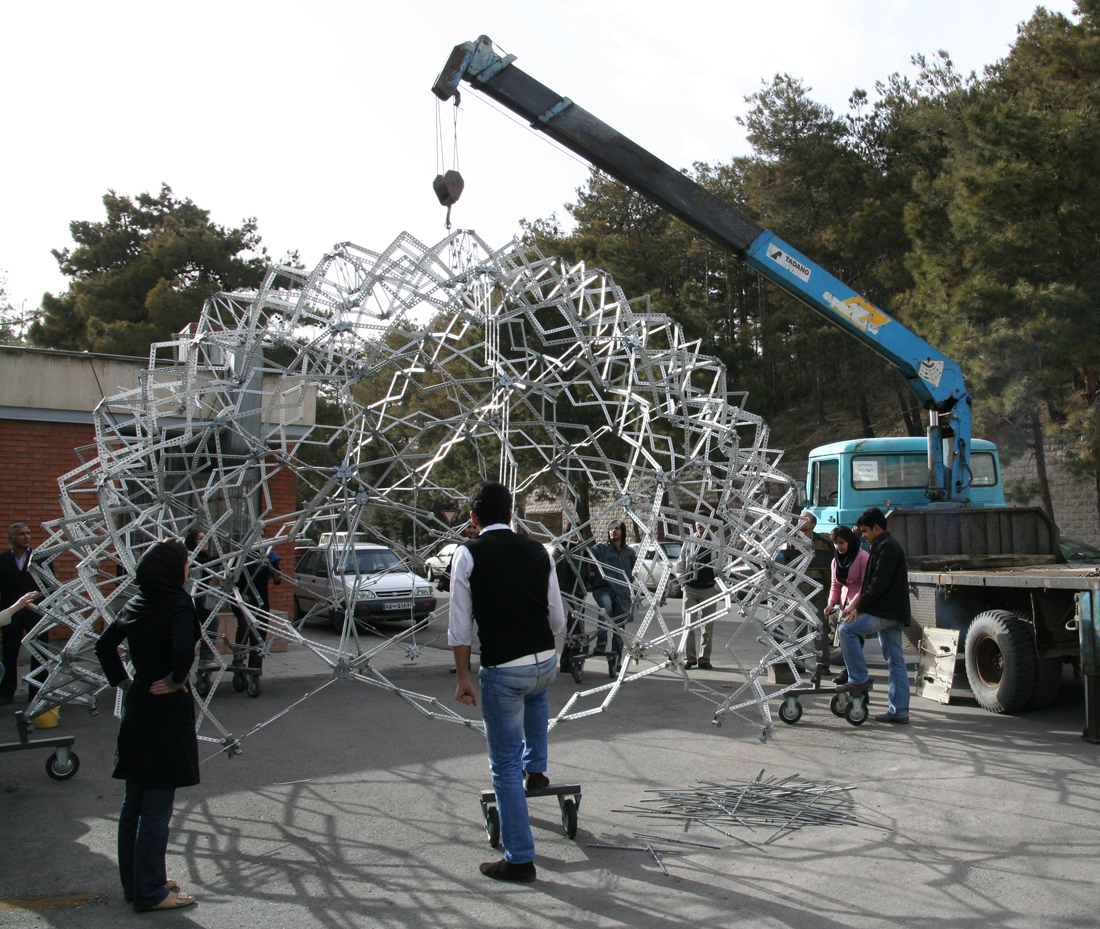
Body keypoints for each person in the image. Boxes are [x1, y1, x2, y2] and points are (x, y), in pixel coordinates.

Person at [448, 481, 566, 883]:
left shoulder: (468, 553)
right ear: (512, 513)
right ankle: (538, 768)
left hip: (504, 668)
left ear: (473, 518)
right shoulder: (539, 550)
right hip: (544, 661)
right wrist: (548, 653)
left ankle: (520, 858)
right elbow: (557, 618)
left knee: (503, 766)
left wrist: (464, 677)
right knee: (536, 691)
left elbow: (460, 627)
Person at [94, 539, 199, 911]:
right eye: (185, 563)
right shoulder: (178, 604)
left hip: (139, 705)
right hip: (165, 710)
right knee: (157, 803)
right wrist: (175, 679)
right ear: (172, 570)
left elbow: (104, 646)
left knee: (134, 801)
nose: (188, 569)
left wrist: (125, 682)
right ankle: (152, 891)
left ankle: (137, 880)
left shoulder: (137, 602)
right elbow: (184, 649)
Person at [837, 507, 912, 724]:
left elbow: (878, 584)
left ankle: (858, 678)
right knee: (895, 661)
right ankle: (899, 711)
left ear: (877, 528)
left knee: (846, 630)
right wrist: (856, 604)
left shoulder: (886, 548)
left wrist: (859, 608)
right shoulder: (884, 545)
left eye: (865, 532)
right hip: (892, 612)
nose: (864, 537)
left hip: (885, 612)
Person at [0, 523, 44, 705]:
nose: (26, 537)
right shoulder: (2, 560)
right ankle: (5, 693)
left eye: (28, 533)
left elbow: (49, 586)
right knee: (9, 654)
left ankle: (37, 693)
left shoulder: (40, 558)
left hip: (37, 612)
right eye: (21, 534)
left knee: (40, 654)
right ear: (11, 538)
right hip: (12, 613)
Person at [824, 525, 870, 685]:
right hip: (844, 604)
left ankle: (853, 673)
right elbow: (835, 584)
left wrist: (854, 604)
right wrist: (831, 603)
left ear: (849, 541)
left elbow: (866, 585)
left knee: (854, 638)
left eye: (841, 542)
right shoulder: (836, 560)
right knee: (843, 637)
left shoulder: (863, 557)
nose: (839, 547)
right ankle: (851, 671)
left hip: (860, 603)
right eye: (836, 543)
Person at [589, 522, 636, 673]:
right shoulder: (601, 549)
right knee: (606, 607)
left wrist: (628, 586)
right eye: (611, 529)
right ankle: (601, 642)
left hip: (622, 594)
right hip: (604, 590)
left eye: (616, 529)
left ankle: (615, 659)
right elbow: (586, 554)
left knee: (619, 628)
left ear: (622, 532)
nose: (613, 531)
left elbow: (633, 572)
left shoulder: (629, 552)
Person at [230, 543, 281, 674]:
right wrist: (241, 592)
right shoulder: (240, 556)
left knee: (260, 631)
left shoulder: (269, 556)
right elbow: (232, 578)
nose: (260, 540)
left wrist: (276, 575)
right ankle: (239, 657)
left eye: (263, 536)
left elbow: (277, 577)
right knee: (244, 625)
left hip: (261, 597)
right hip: (243, 596)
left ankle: (255, 668)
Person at [675, 522, 720, 670]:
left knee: (707, 626)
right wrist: (683, 583)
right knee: (687, 624)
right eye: (697, 523)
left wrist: (717, 587)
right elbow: (681, 563)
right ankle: (690, 658)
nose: (700, 526)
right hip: (691, 589)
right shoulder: (689, 541)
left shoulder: (716, 543)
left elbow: (723, 565)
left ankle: (704, 659)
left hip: (709, 589)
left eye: (703, 523)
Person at [185, 529, 220, 671]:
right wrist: (223, 557)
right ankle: (184, 663)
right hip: (187, 605)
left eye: (206, 539)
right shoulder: (188, 557)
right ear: (193, 542)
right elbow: (201, 563)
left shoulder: (201, 558)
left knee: (212, 620)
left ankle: (205, 659)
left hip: (198, 605)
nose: (205, 542)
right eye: (200, 539)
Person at [554, 535, 586, 673]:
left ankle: (569, 659)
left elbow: (584, 569)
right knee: (559, 624)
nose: (575, 538)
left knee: (574, 625)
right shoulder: (560, 548)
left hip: (576, 591)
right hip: (563, 590)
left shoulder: (581, 549)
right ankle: (565, 658)